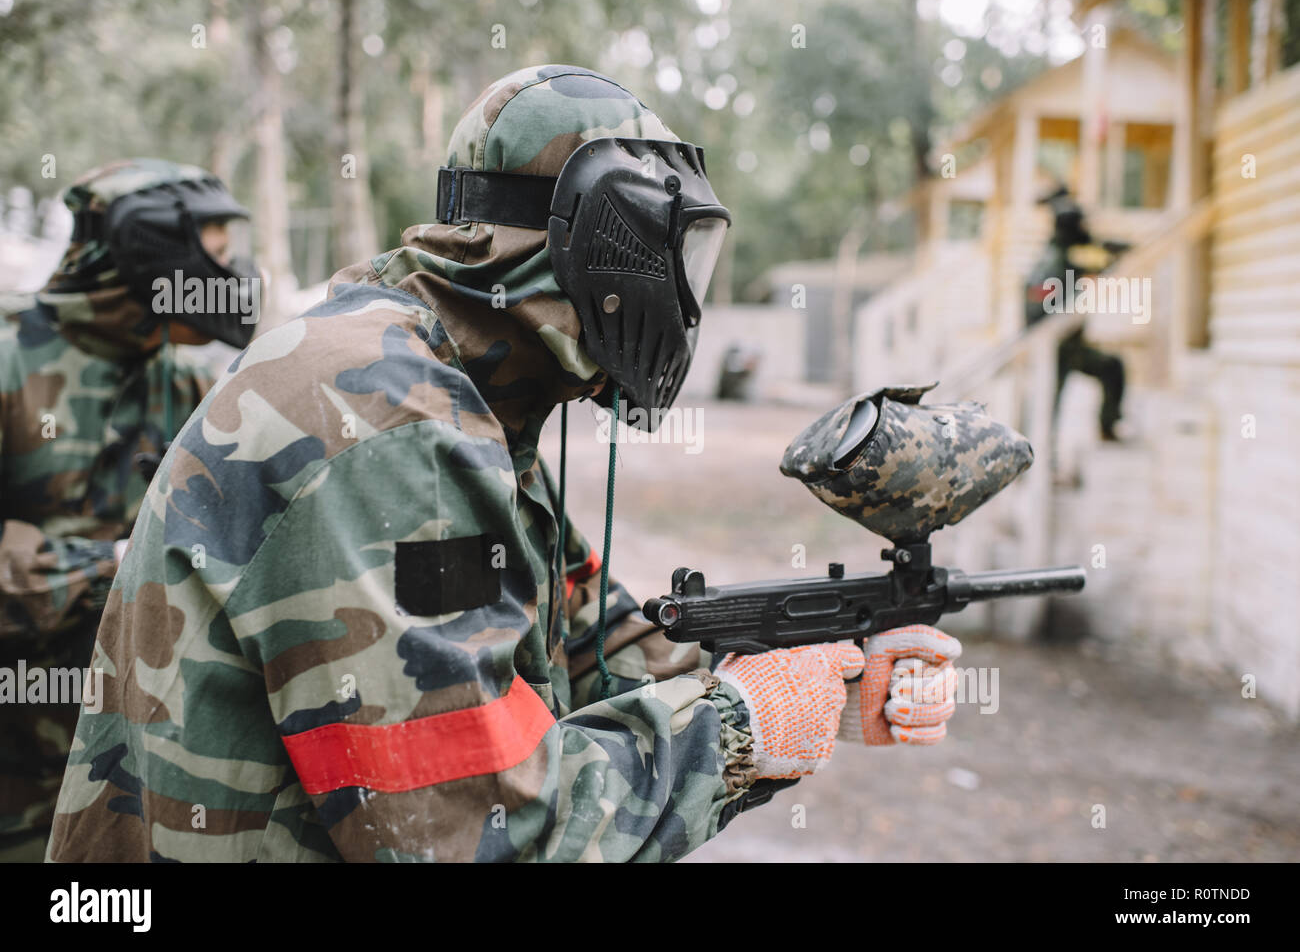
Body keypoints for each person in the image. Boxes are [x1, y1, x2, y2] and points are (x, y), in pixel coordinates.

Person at [46, 67, 960, 863]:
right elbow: (476, 830)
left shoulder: (456, 389)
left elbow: (594, 639)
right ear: (604, 239)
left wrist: (826, 671)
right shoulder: (387, 419)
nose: (684, 295)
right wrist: (740, 726)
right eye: (672, 255)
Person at [0, 158, 257, 862]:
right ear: (146, 245)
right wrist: (119, 565)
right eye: (213, 244)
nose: (229, 266)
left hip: (151, 792)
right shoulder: (13, 367)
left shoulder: (191, 381)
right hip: (21, 796)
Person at [1024, 186, 1128, 441]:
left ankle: (1107, 425)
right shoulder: (1055, 261)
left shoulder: (1062, 257)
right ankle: (1035, 453)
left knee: (1111, 369)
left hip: (1066, 346)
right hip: (1057, 347)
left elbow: (1097, 261)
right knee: (1045, 406)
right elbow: (1038, 303)